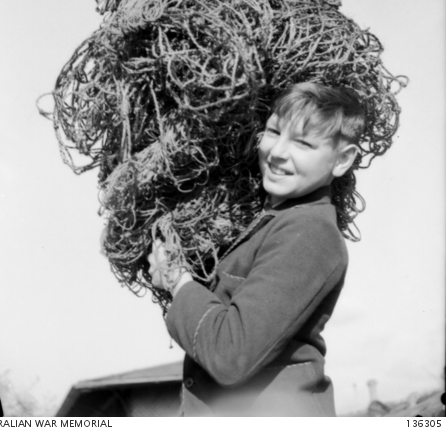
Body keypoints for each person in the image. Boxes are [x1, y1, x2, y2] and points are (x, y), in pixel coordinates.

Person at [148, 82, 365, 417]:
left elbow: (229, 356)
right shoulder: (271, 222)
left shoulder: (309, 232)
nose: (278, 152)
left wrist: (177, 281)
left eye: (303, 143)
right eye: (273, 131)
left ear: (342, 160)